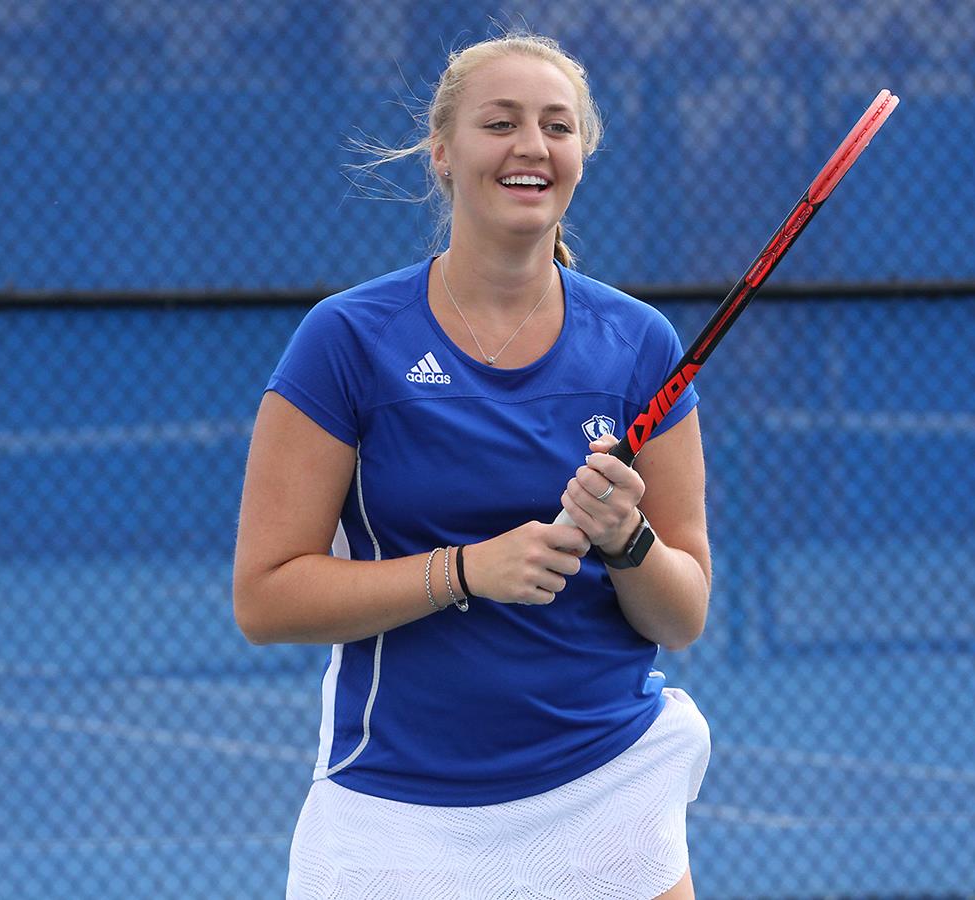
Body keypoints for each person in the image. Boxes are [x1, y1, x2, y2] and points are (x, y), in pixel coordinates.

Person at [232, 30, 712, 900]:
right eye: (502, 123)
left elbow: (681, 615)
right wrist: (466, 571)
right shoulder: (346, 340)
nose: (531, 146)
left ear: (580, 154)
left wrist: (626, 538)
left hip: (608, 789)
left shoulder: (641, 343)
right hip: (401, 812)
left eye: (556, 126)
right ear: (443, 153)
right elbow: (265, 598)